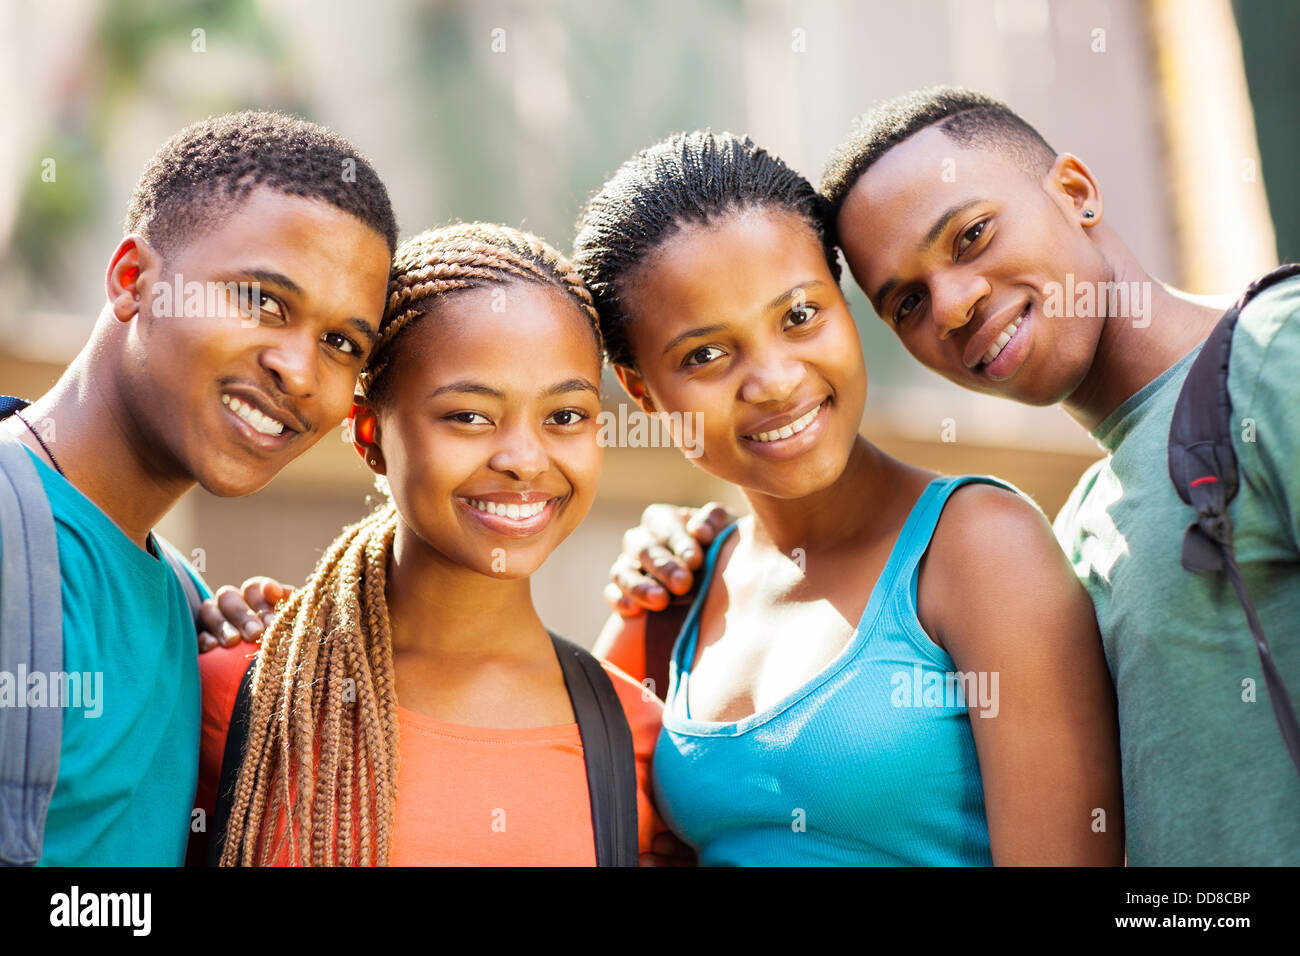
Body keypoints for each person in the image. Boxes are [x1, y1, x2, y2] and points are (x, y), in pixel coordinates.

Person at [612, 88, 1300, 865]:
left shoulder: (1278, 352)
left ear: (1075, 192)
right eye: (905, 302)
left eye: (971, 236)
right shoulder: (1085, 525)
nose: (953, 304)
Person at [568, 130, 1123, 865]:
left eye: (800, 316)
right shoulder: (680, 585)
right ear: (641, 391)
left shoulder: (978, 547)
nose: (774, 380)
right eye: (705, 354)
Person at [193, 223, 666, 866]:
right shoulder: (241, 690)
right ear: (369, 435)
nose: (525, 460)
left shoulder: (637, 736)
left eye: (565, 417)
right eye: (469, 415)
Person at [0, 111, 395, 866]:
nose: (301, 372)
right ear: (132, 281)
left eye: (342, 343)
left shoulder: (185, 601)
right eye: (263, 301)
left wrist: (233, 694)